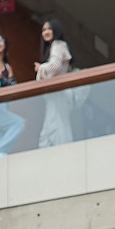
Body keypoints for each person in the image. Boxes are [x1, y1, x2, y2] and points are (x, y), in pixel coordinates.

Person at [32, 19, 74, 148]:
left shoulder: (58, 44)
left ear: (55, 30)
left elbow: (55, 66)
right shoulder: (53, 47)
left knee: (59, 126)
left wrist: (41, 69)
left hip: (59, 93)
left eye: (49, 29)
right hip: (54, 95)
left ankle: (64, 152)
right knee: (52, 126)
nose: (46, 32)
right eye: (44, 30)